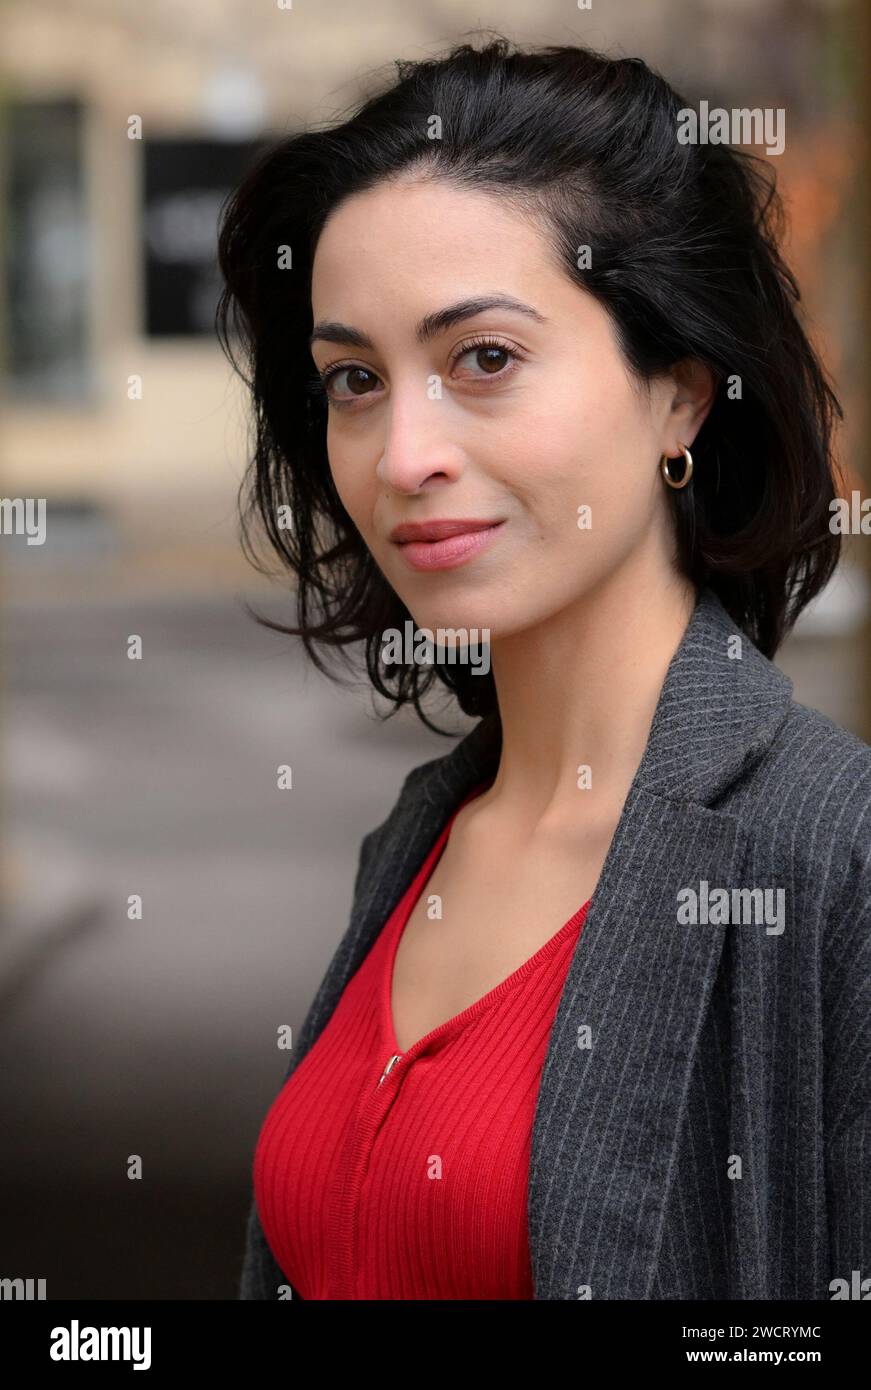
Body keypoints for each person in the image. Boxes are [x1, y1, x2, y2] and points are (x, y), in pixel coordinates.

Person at [216, 36, 871, 1300]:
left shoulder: (831, 859)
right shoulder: (419, 836)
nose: (402, 454)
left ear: (680, 394)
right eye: (354, 379)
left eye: (485, 359)